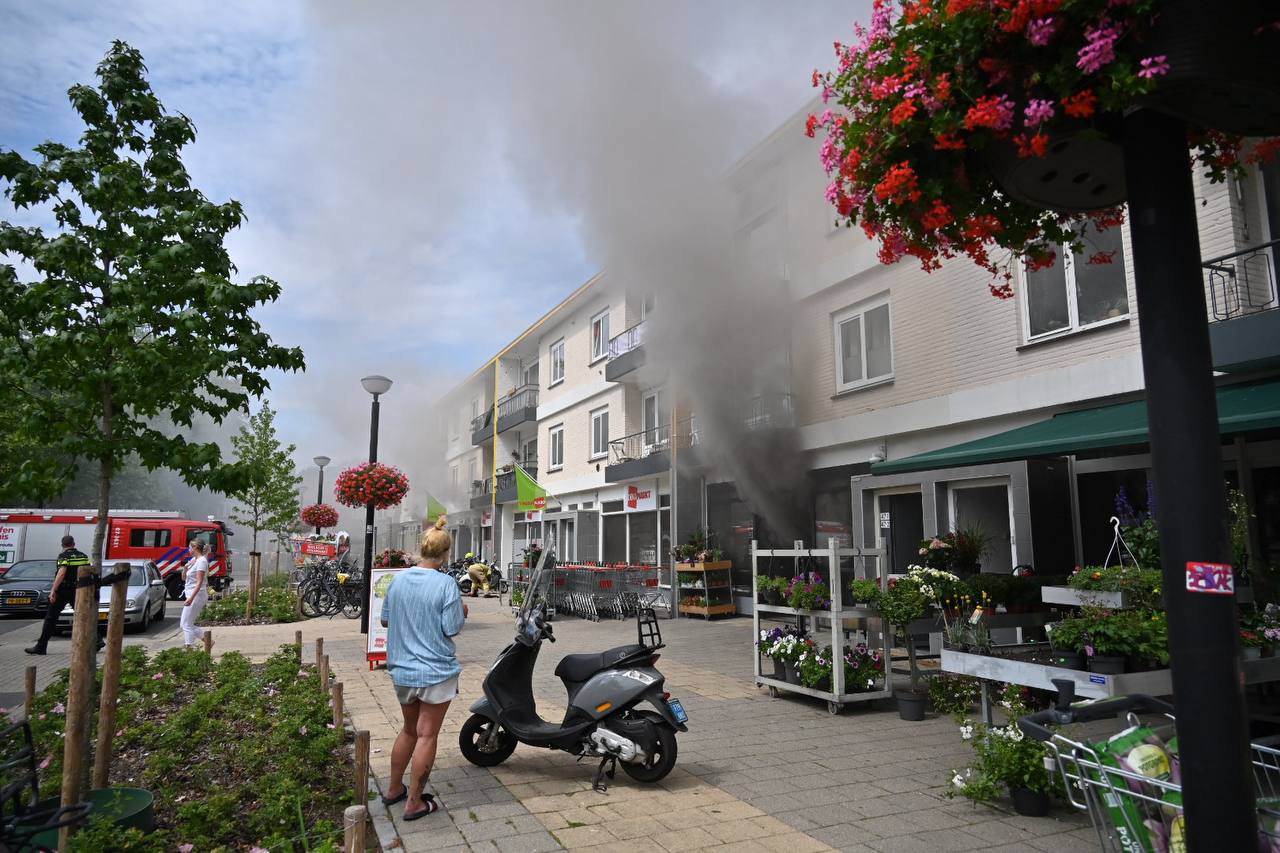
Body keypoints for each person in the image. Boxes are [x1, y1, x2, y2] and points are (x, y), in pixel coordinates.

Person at [380, 515, 467, 820]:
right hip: (435, 671)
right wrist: (462, 609)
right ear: (445, 554)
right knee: (427, 735)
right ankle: (415, 802)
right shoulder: (446, 584)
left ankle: (393, 790)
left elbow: (385, 620)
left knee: (408, 730)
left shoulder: (398, 579)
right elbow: (452, 627)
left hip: (401, 669)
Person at [25, 535, 99, 655]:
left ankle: (41, 646)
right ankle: (97, 640)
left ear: (63, 545)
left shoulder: (63, 556)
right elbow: (89, 571)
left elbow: (61, 572)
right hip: (78, 590)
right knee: (84, 616)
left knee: (51, 618)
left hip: (63, 590)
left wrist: (53, 590)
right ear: (74, 544)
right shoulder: (83, 556)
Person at [180, 538, 210, 648]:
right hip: (191, 594)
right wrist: (185, 568)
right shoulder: (194, 560)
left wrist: (191, 598)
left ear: (195, 548)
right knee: (185, 624)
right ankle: (208, 640)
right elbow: (184, 578)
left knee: (186, 624)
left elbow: (199, 582)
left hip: (197, 595)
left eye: (189, 547)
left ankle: (189, 648)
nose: (188, 549)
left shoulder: (201, 561)